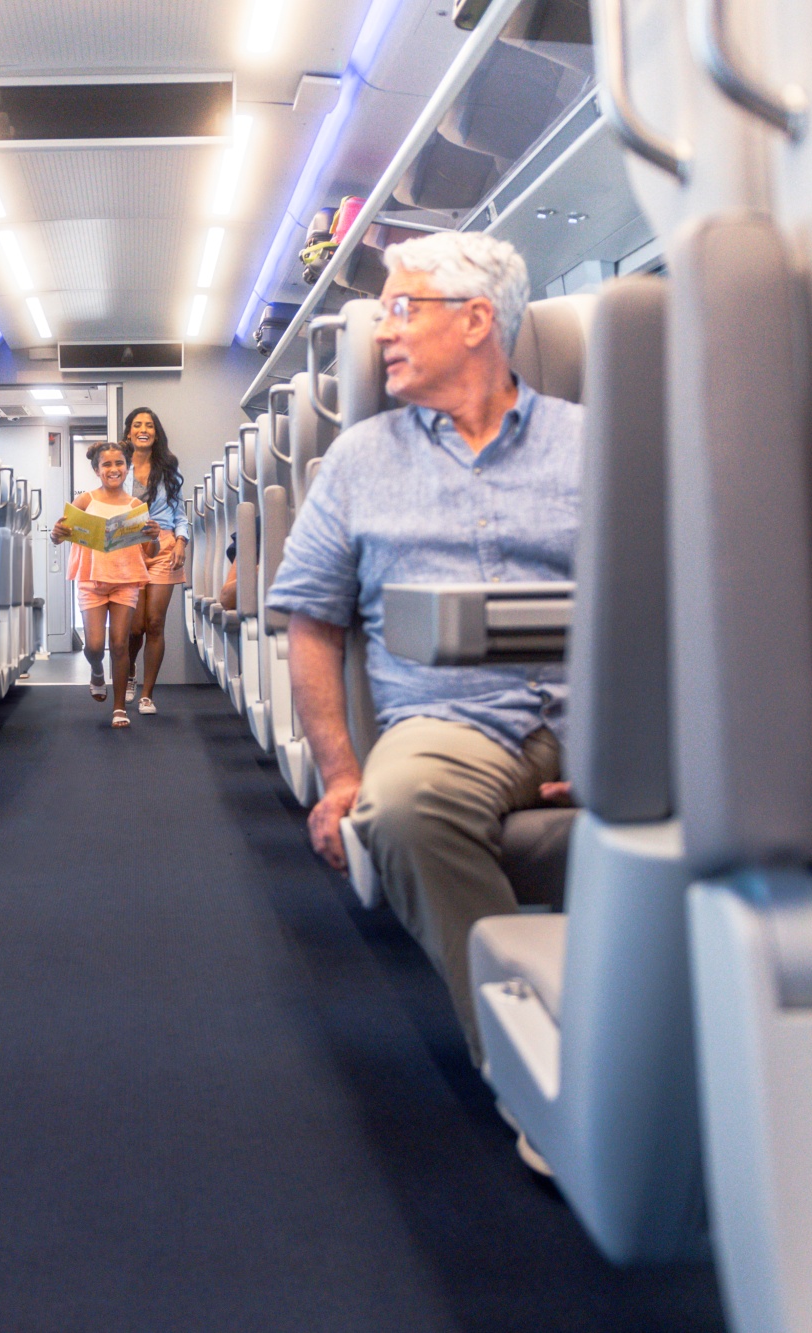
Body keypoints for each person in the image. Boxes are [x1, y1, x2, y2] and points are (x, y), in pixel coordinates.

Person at [265, 231, 579, 1059]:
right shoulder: (358, 461)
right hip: (451, 724)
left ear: (477, 320)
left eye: (402, 309)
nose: (382, 332)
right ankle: (531, 1055)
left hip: (602, 712)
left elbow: (664, 599)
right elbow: (311, 620)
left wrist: (640, 744)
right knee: (400, 808)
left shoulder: (592, 443)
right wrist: (339, 776)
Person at [51, 441, 156, 728]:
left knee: (120, 644)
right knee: (95, 646)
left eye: (119, 463)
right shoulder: (86, 501)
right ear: (97, 470)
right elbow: (60, 535)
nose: (113, 469)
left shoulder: (136, 506)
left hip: (125, 580)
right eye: (107, 464)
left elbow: (150, 553)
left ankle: (119, 707)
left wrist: (154, 537)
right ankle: (97, 671)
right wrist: (56, 532)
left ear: (127, 467)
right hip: (91, 578)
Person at [120, 407, 187, 714]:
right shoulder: (118, 467)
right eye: (137, 425)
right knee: (135, 629)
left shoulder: (168, 470)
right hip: (128, 548)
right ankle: (130, 672)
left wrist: (181, 543)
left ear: (156, 433)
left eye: (149, 425)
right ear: (129, 432)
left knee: (155, 623)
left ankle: (147, 694)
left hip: (163, 547)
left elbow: (181, 515)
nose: (143, 429)